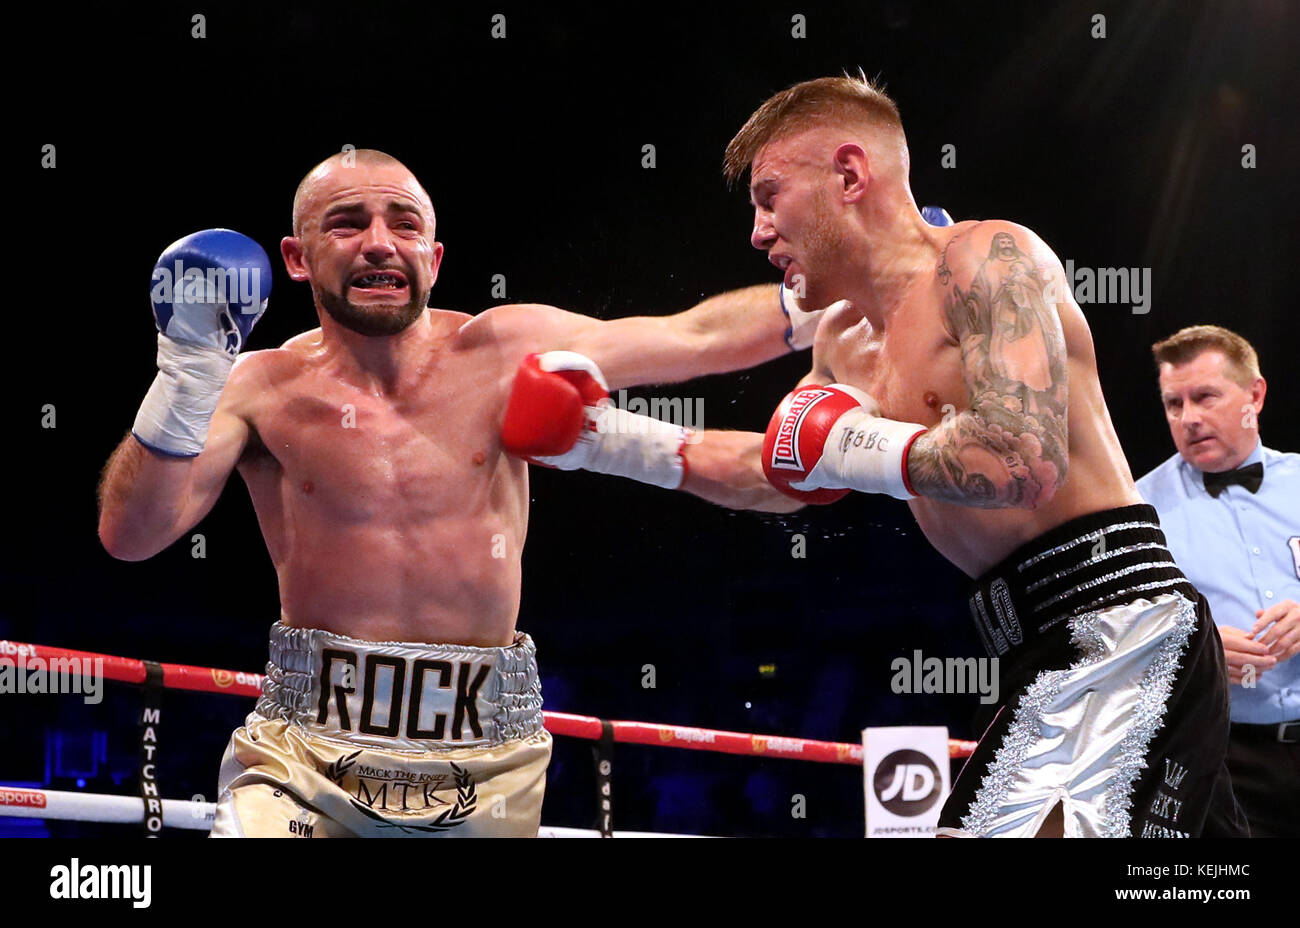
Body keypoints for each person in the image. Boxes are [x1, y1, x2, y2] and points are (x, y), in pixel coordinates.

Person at [509, 75, 1244, 837]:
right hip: (1031, 638)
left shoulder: (987, 260)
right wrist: (605, 439)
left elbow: (1023, 460)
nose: (758, 232)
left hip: (1117, 620)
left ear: (850, 175)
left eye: (769, 196)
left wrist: (854, 445)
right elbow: (781, 469)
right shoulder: (842, 341)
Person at [96, 148, 811, 838]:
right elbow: (132, 535)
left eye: (405, 224)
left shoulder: (501, 350)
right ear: (296, 257)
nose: (380, 243)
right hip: (304, 747)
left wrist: (836, 294)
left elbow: (691, 338)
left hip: (487, 752)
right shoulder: (256, 386)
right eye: (346, 223)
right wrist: (184, 380)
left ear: (433, 260)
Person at [1136, 325, 1300, 837]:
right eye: (1173, 404)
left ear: (1255, 395)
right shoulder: (1137, 509)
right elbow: (1103, 640)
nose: (1189, 418)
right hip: (1219, 760)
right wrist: (1194, 651)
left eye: (1205, 396)